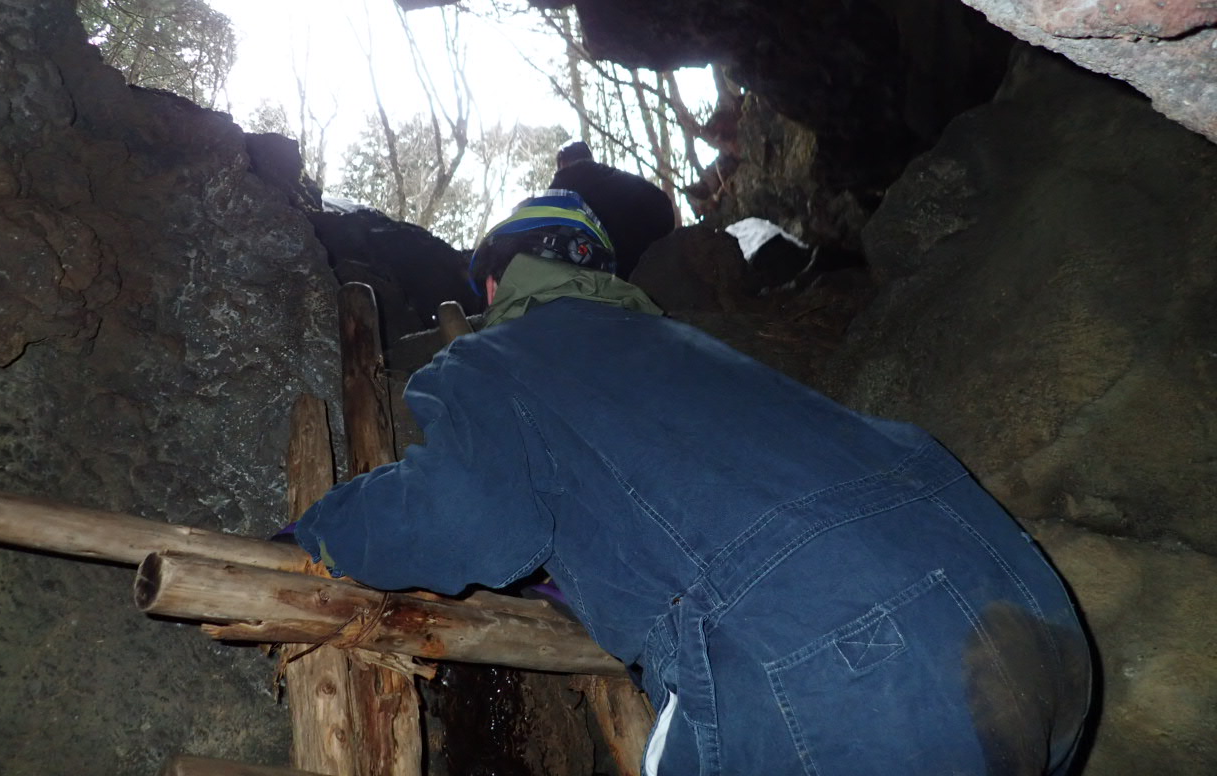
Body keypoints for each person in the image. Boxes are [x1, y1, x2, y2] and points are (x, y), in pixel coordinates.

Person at [293, 190, 1092, 776]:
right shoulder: (695, 352)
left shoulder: (491, 360)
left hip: (844, 667)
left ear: (495, 286)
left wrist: (316, 532)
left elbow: (461, 517)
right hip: (1022, 606)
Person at [549, 140, 676, 279]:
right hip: (649, 260)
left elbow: (542, 221)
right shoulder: (619, 178)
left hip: (608, 270)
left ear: (563, 163)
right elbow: (663, 207)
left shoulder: (565, 179)